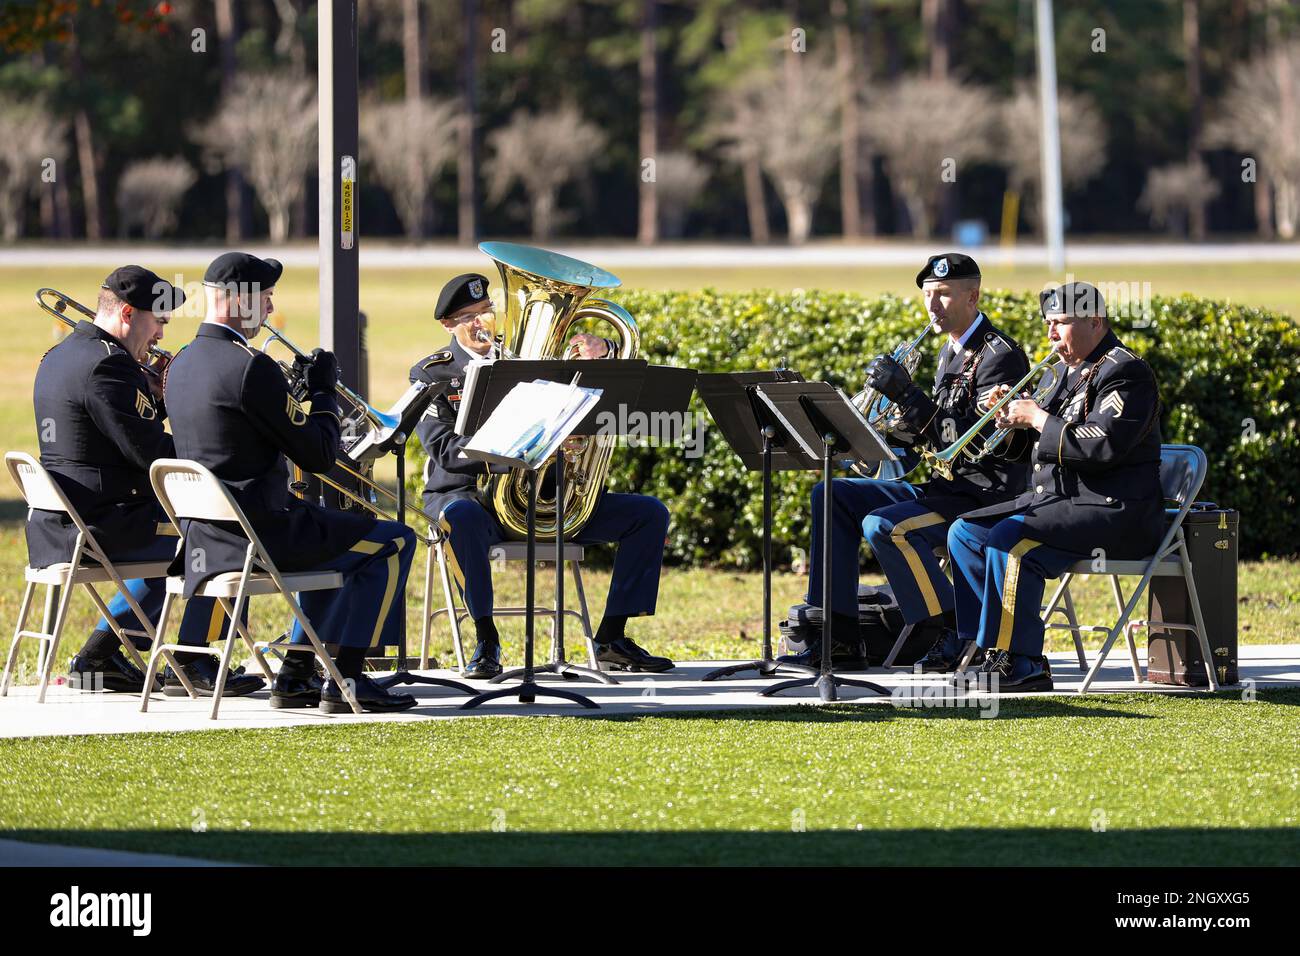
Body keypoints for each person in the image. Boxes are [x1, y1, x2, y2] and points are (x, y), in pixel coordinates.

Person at [164, 252, 418, 713]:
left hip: (208, 538)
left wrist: (290, 399)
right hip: (263, 535)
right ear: (238, 300)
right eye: (264, 296)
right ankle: (351, 678)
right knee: (397, 540)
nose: (269, 306)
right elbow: (318, 456)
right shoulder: (249, 366)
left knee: (333, 532)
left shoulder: (181, 363)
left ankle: (298, 673)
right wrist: (322, 392)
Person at [411, 272, 673, 679]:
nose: (482, 322)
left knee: (649, 514)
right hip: (469, 502)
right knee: (460, 518)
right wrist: (517, 454)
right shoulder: (431, 375)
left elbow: (596, 407)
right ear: (448, 325)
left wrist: (603, 356)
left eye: (486, 311)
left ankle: (612, 638)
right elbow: (445, 452)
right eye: (468, 317)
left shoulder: (526, 363)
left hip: (538, 499)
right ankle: (486, 640)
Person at [779, 253, 1030, 672]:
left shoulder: (998, 356)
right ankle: (837, 635)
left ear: (974, 296)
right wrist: (872, 434)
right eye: (928, 295)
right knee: (831, 495)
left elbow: (969, 443)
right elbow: (927, 439)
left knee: (886, 526)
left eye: (944, 295)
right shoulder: (949, 352)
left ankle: (949, 628)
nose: (933, 306)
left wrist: (907, 396)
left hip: (983, 495)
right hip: (943, 487)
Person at [27, 266, 256, 695]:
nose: (161, 337)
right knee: (227, 532)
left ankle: (101, 657)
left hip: (60, 525)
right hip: (101, 526)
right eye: (159, 322)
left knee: (183, 534)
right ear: (129, 314)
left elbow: (111, 437)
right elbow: (152, 458)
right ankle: (195, 659)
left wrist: (153, 398)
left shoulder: (60, 354)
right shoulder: (109, 367)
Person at [946, 281, 1164, 692]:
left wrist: (1038, 418)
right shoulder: (1064, 372)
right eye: (1048, 323)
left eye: (1060, 322)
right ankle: (988, 647)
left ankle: (1022, 661)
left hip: (1113, 511)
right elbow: (1033, 449)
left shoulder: (1126, 372)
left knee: (1011, 540)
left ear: (1095, 321)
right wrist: (1011, 422)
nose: (1050, 334)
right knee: (965, 533)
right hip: (1061, 503)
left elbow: (1100, 446)